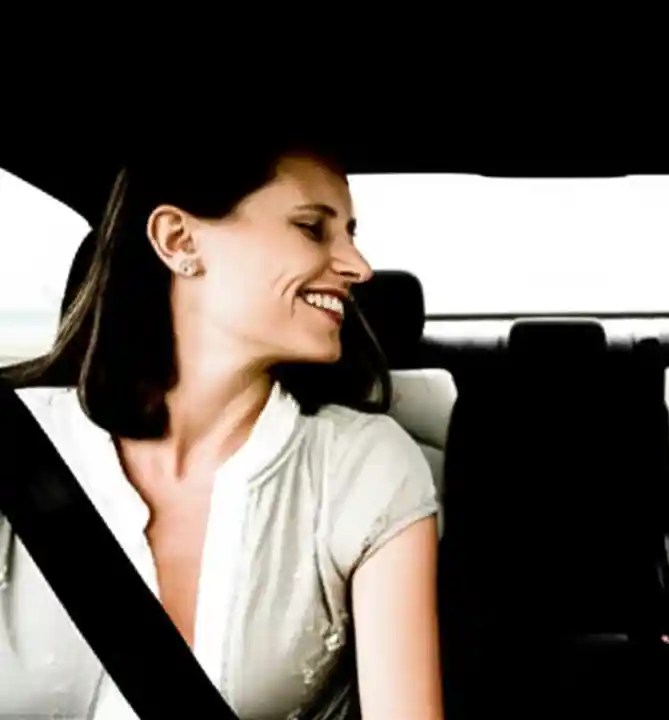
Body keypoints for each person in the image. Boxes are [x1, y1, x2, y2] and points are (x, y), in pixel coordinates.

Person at [0, 138, 443, 719]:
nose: (359, 267)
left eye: (351, 234)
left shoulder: (363, 467)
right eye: (313, 228)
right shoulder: (14, 444)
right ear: (179, 242)